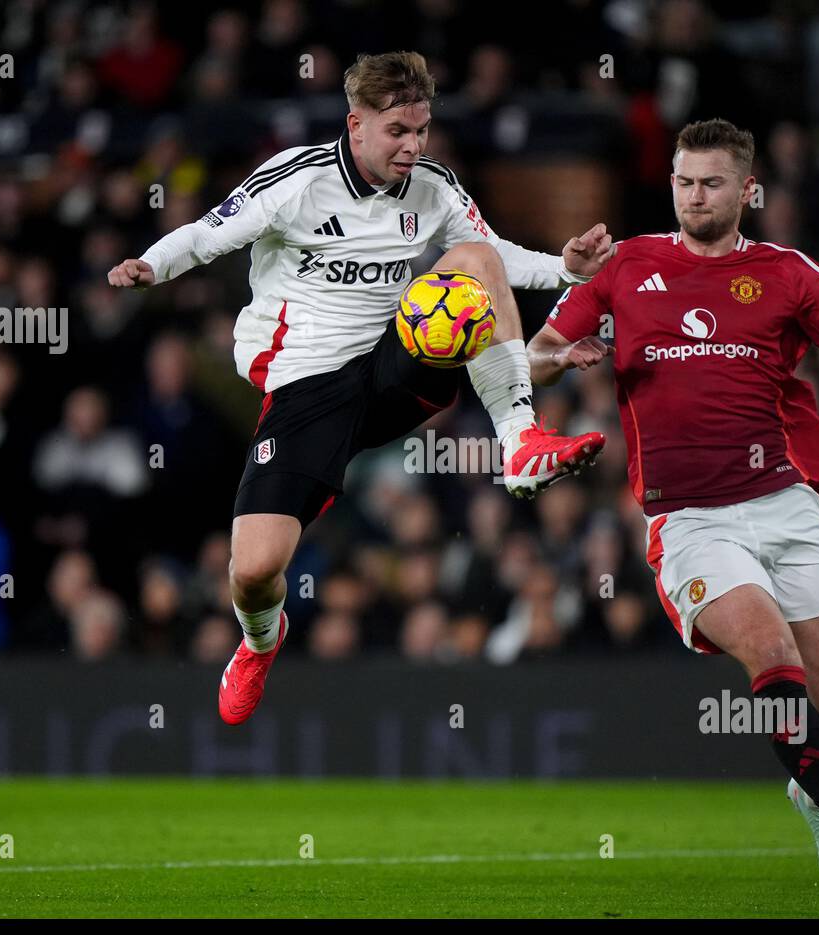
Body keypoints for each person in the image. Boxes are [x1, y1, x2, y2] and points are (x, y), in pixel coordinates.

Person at [108, 52, 611, 726]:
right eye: (399, 131)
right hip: (304, 390)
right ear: (356, 125)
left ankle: (519, 441)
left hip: (388, 364)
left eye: (422, 129)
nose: (414, 146)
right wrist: (152, 264)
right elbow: (206, 235)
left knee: (473, 265)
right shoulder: (298, 182)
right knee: (254, 571)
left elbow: (496, 255)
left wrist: (565, 269)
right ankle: (262, 640)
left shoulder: (434, 188)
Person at [527, 118, 819, 890]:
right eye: (683, 181)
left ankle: (814, 789)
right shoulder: (625, 266)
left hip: (784, 501)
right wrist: (561, 357)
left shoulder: (785, 272)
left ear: (748, 190)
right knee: (772, 652)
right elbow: (539, 354)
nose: (694, 195)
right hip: (691, 519)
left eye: (712, 182)